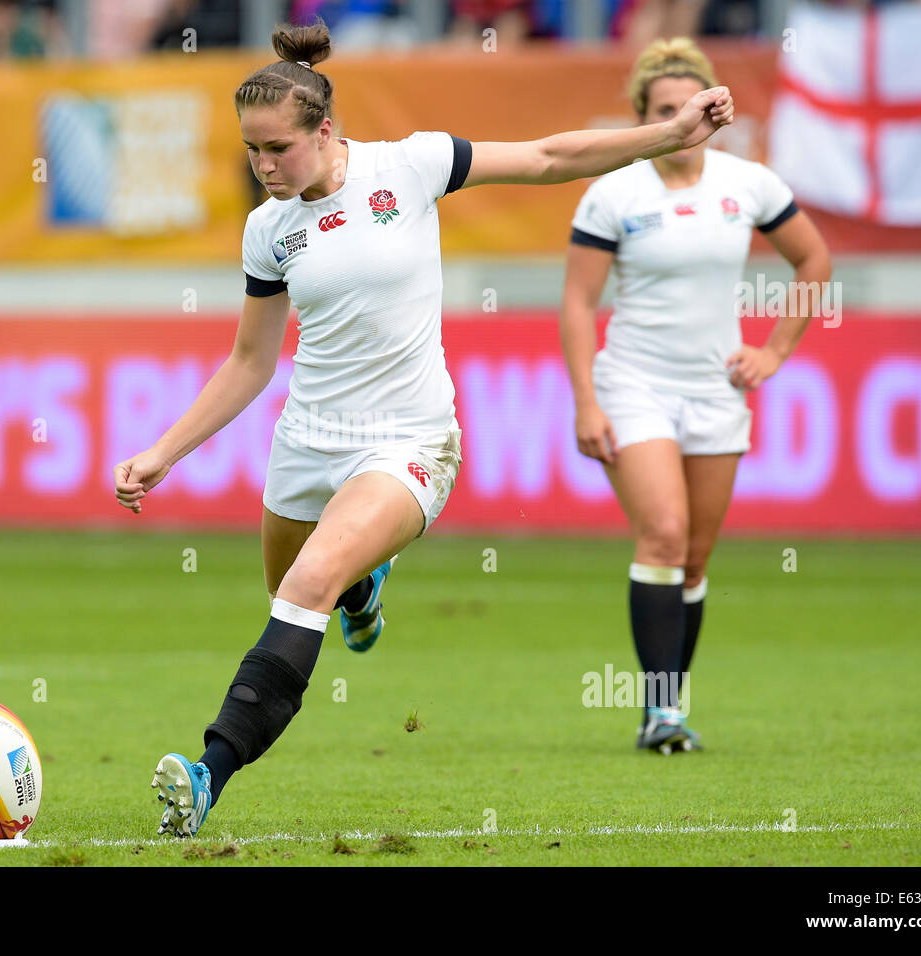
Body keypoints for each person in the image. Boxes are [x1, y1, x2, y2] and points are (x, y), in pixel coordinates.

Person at [113, 19, 735, 836]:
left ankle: (205, 775)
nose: (263, 166)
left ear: (324, 130)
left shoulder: (409, 165)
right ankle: (364, 588)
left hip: (409, 441)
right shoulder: (268, 230)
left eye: (277, 149)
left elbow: (548, 158)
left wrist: (669, 133)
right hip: (308, 443)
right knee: (293, 595)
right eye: (251, 151)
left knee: (304, 590)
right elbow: (249, 362)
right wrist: (164, 452)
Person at [560, 37, 831, 754]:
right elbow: (580, 304)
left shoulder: (749, 183)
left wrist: (774, 350)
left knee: (695, 559)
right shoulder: (613, 191)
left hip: (716, 388)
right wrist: (588, 400)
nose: (680, 117)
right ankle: (659, 714)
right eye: (663, 108)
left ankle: (668, 707)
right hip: (634, 383)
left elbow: (813, 257)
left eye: (691, 104)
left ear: (717, 106)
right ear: (643, 115)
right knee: (663, 535)